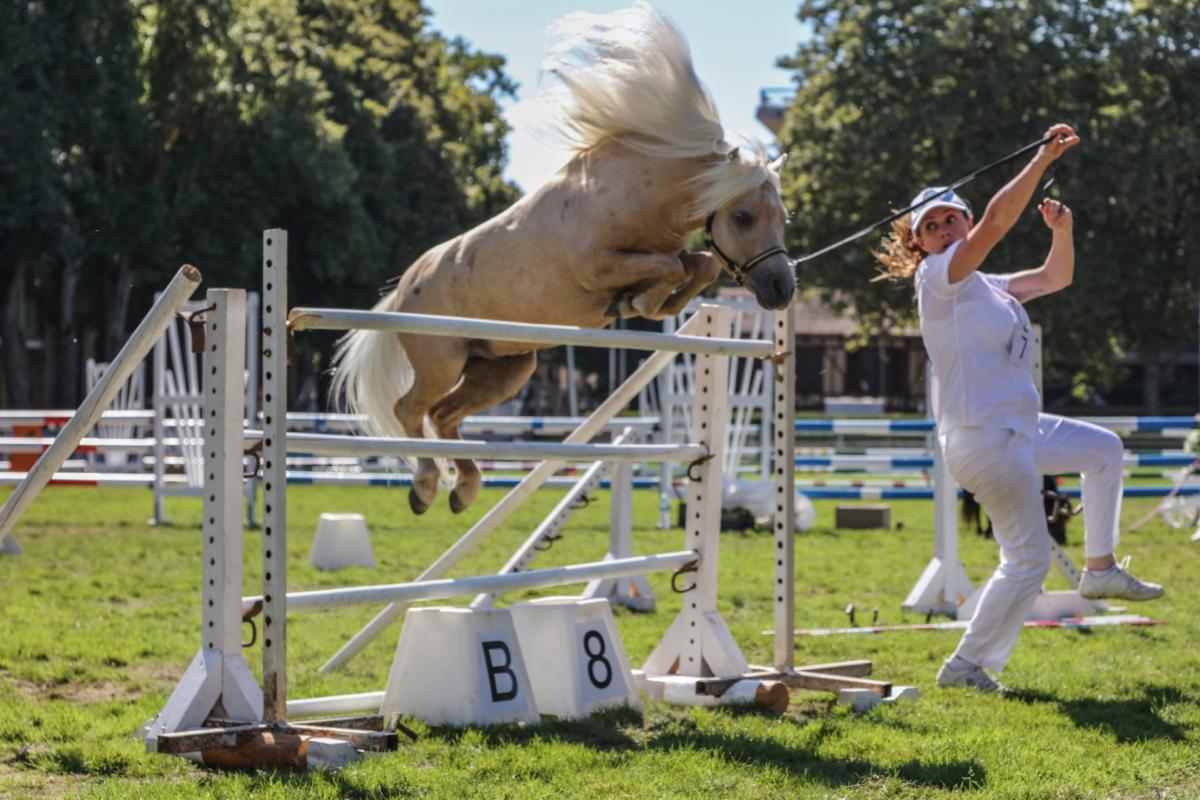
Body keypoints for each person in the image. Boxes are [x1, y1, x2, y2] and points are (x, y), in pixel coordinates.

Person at [875, 123, 1163, 693]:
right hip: (984, 439)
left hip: (1017, 431)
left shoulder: (989, 283)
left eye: (949, 218)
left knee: (1104, 450)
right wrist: (1039, 161)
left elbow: (1057, 277)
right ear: (920, 244)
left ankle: (1099, 570)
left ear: (962, 217)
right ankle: (963, 668)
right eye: (929, 226)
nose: (942, 228)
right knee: (1027, 562)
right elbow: (998, 223)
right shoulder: (940, 277)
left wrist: (1064, 230)